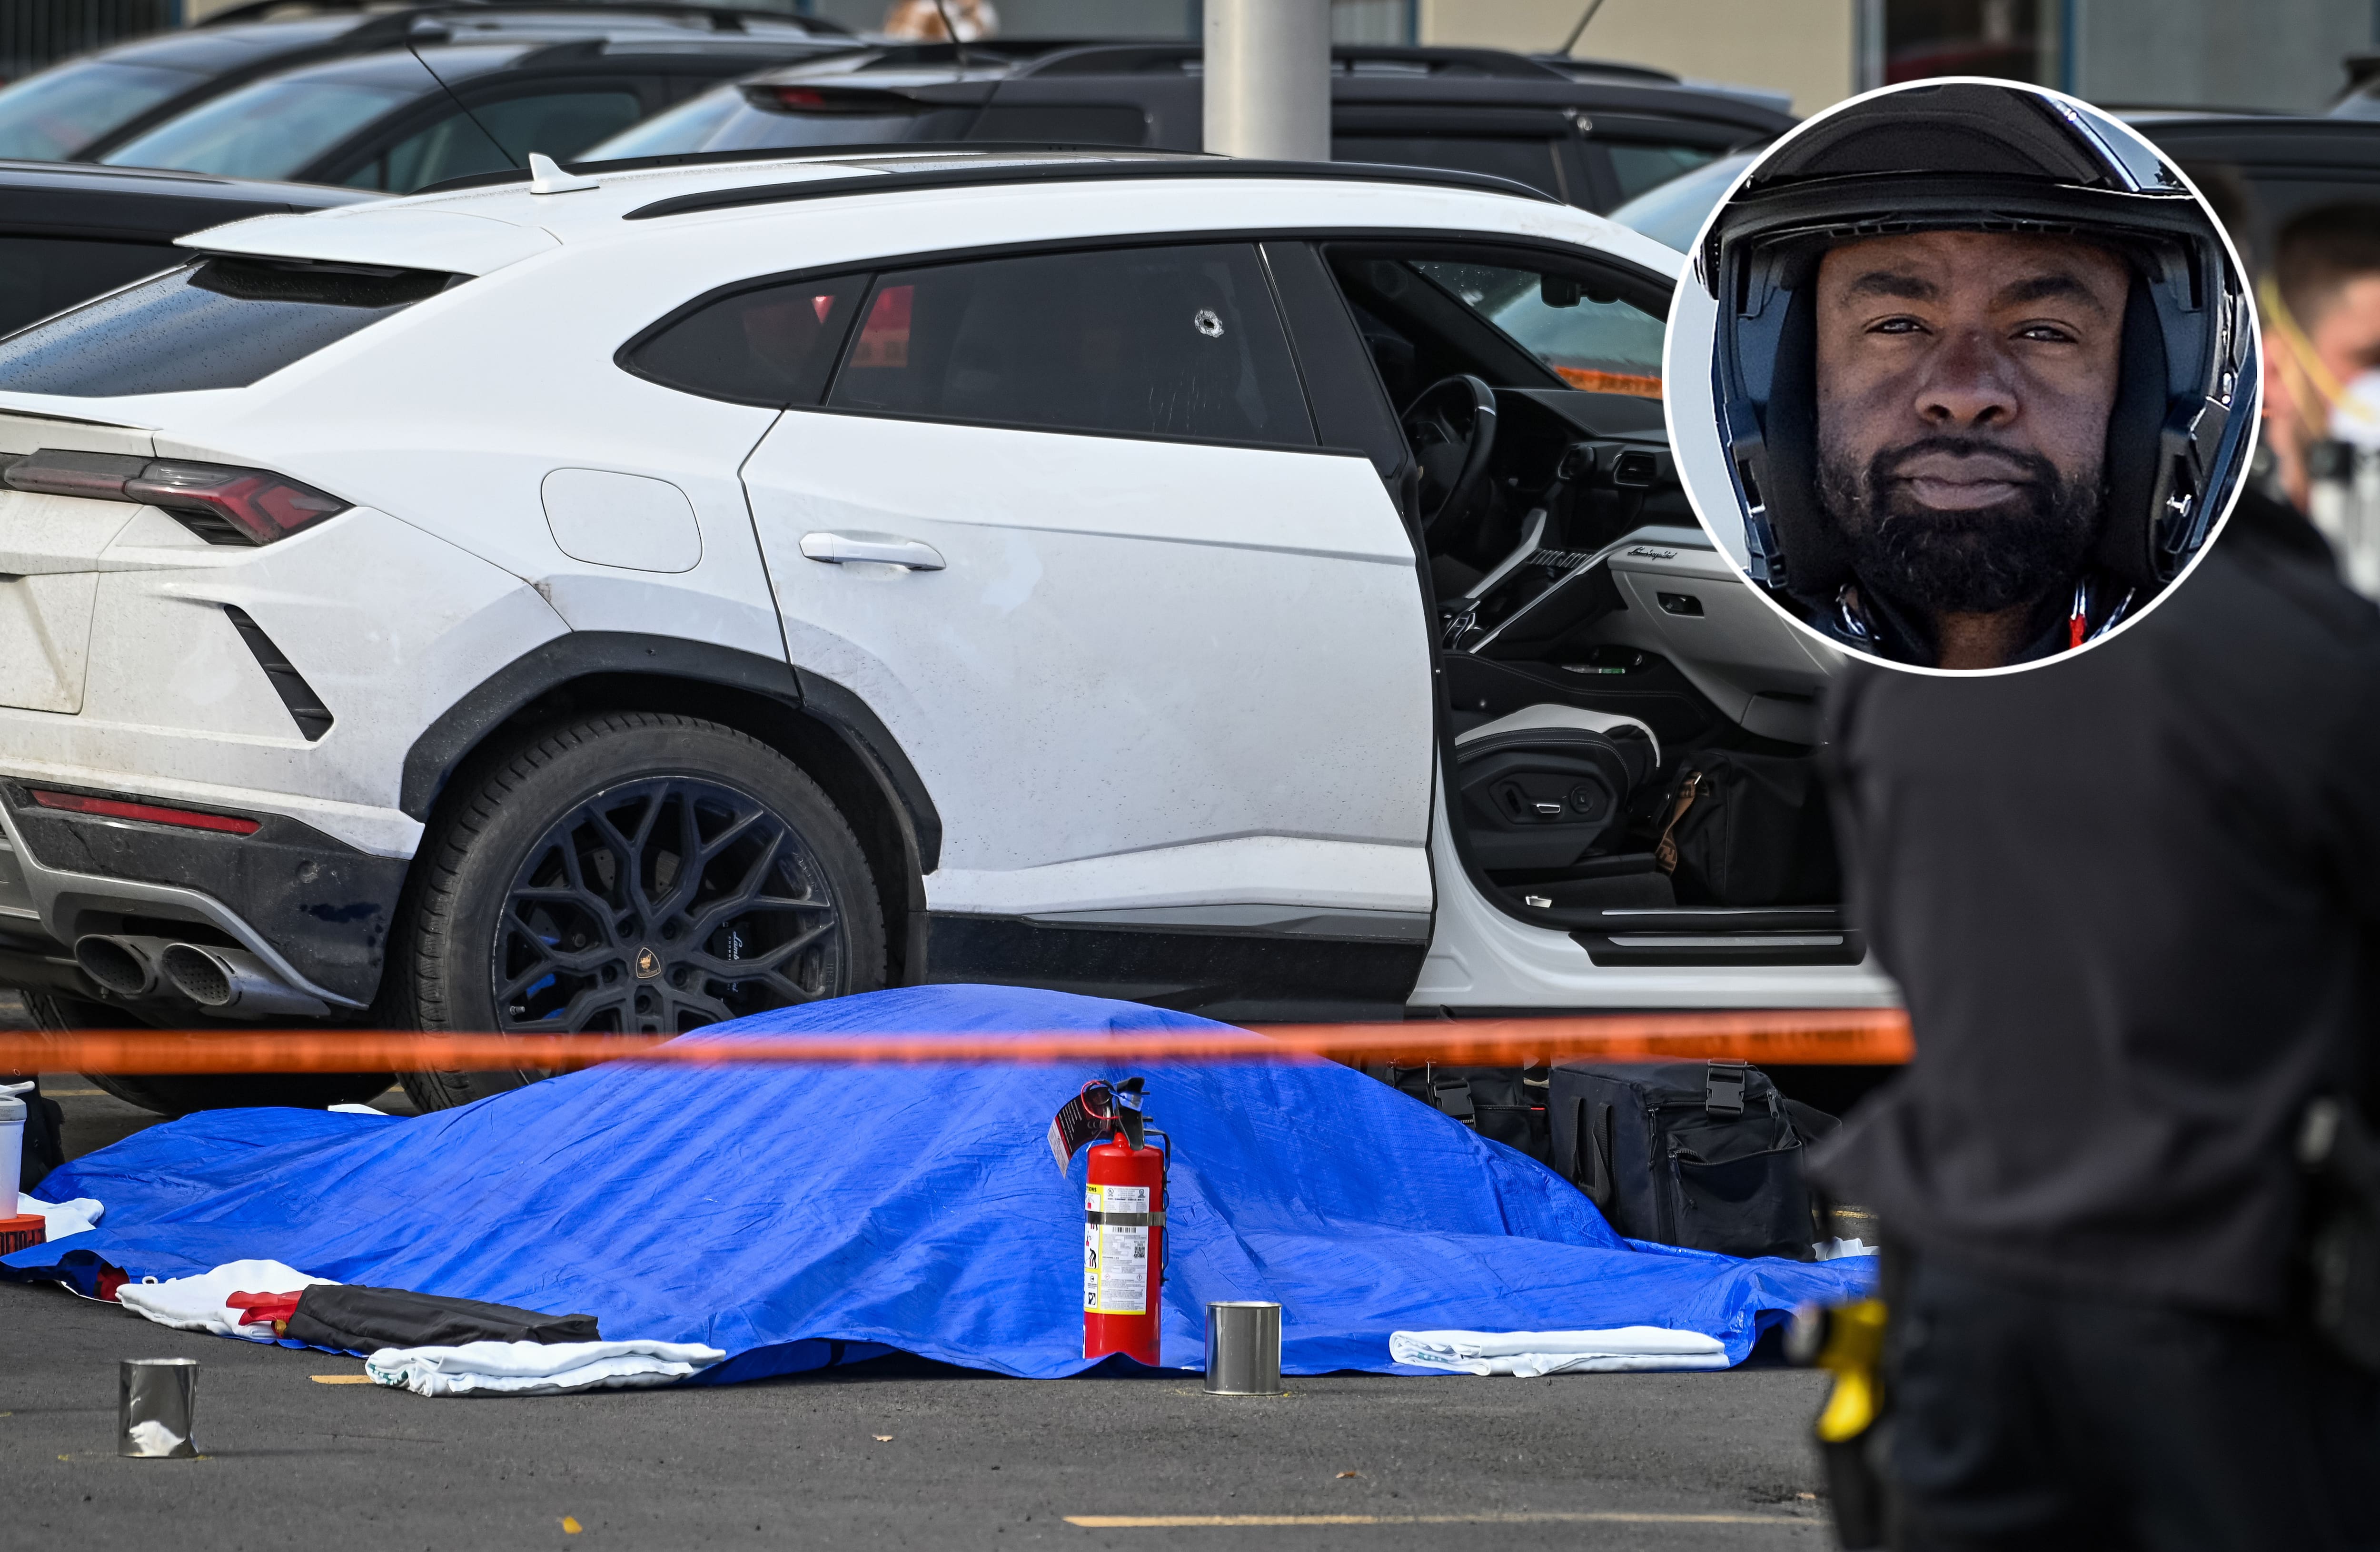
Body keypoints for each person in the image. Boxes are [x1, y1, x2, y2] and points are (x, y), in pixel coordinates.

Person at [1812, 450, 2380, 1544]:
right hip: (2223, 1307)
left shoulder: (1908, 670)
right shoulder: (2307, 658)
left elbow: (1898, 933)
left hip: (1962, 1296)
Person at [1698, 80, 2258, 670]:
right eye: (1896, 325)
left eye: (2042, 331)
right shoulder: (1723, 659)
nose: (1963, 394)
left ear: (2155, 386)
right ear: (1792, 376)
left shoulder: (2249, 677)